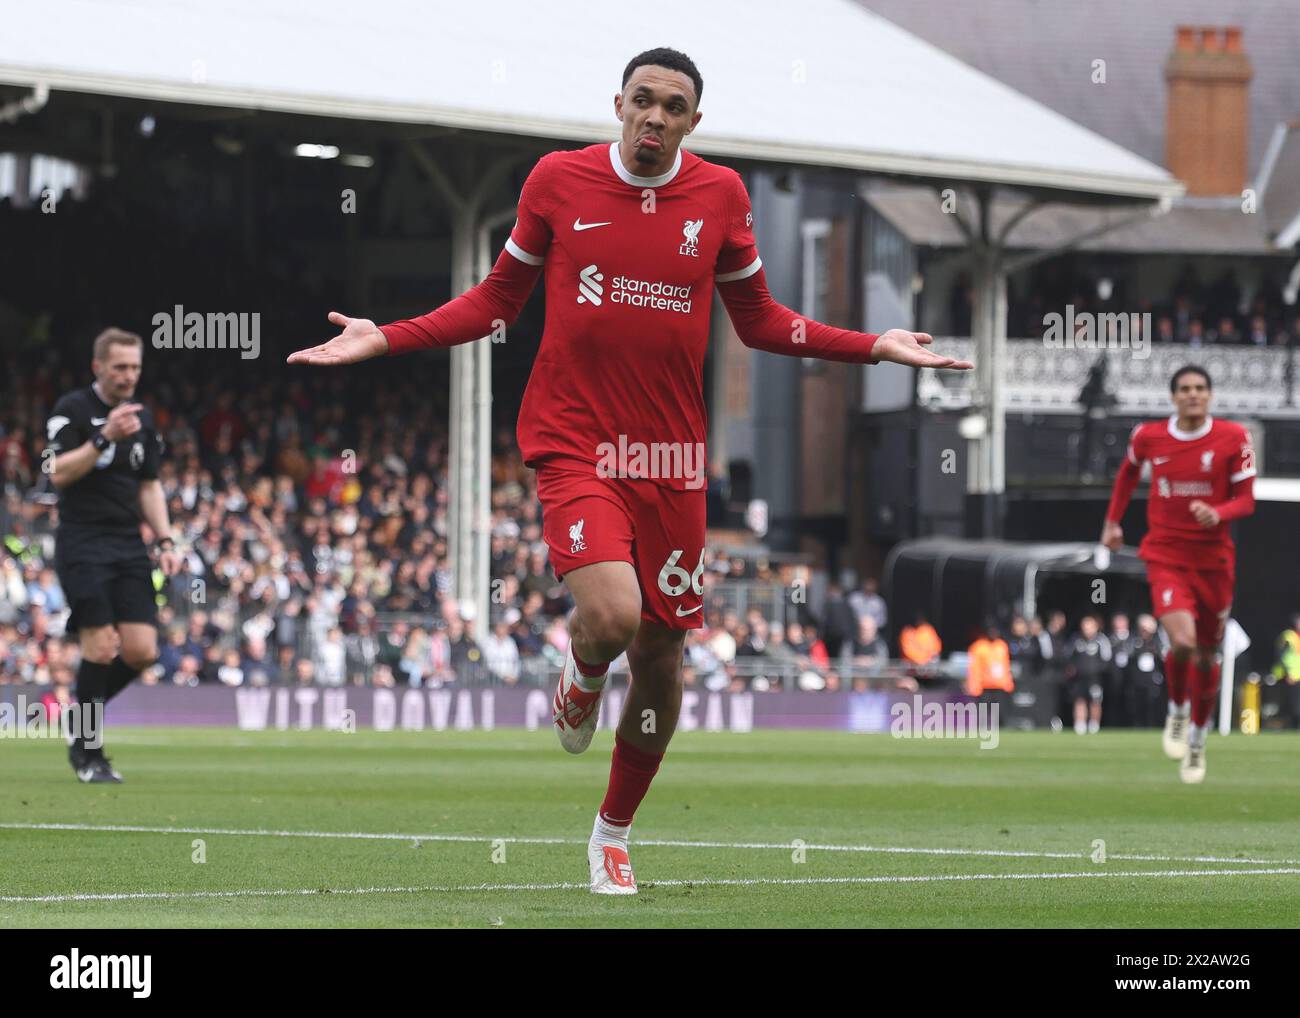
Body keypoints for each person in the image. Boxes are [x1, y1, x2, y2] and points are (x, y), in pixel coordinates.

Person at [287, 48, 972, 893]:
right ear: (617, 104)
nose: (654, 116)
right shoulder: (557, 181)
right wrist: (387, 334)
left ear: (693, 121)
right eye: (641, 100)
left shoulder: (720, 196)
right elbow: (497, 300)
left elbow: (758, 320)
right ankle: (581, 666)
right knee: (612, 618)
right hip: (577, 442)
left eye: (672, 106)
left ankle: (611, 832)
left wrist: (873, 345)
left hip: (672, 459)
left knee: (663, 649)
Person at [1102, 365, 1255, 781]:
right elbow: (1127, 473)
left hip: (1215, 563)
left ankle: (1198, 741)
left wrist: (1218, 511)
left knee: (1208, 654)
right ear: (1173, 396)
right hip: (1166, 555)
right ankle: (1177, 710)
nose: (1193, 395)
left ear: (1210, 395)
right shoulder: (1149, 436)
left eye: (1200, 388)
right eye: (1185, 389)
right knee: (1183, 641)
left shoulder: (1234, 437)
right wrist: (1113, 521)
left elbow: (1245, 501)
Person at [45, 328, 181, 782]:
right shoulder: (73, 410)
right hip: (82, 541)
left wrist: (164, 539)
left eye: (135, 367)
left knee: (142, 652)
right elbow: (55, 471)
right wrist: (103, 438)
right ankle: (89, 754)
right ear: (97, 367)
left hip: (128, 543)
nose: (129, 375)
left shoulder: (144, 419)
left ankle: (84, 709)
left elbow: (149, 485)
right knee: (101, 648)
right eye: (120, 366)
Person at [1064, 615, 1110, 734]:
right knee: (1079, 700)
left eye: (1089, 626)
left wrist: (1098, 670)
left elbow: (1107, 659)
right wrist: (1071, 669)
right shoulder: (1076, 639)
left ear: (1095, 627)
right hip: (1079, 678)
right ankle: (1080, 724)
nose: (1087, 629)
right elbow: (1068, 656)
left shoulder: (1101, 640)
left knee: (1095, 701)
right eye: (1085, 626)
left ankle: (1094, 725)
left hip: (1095, 678)